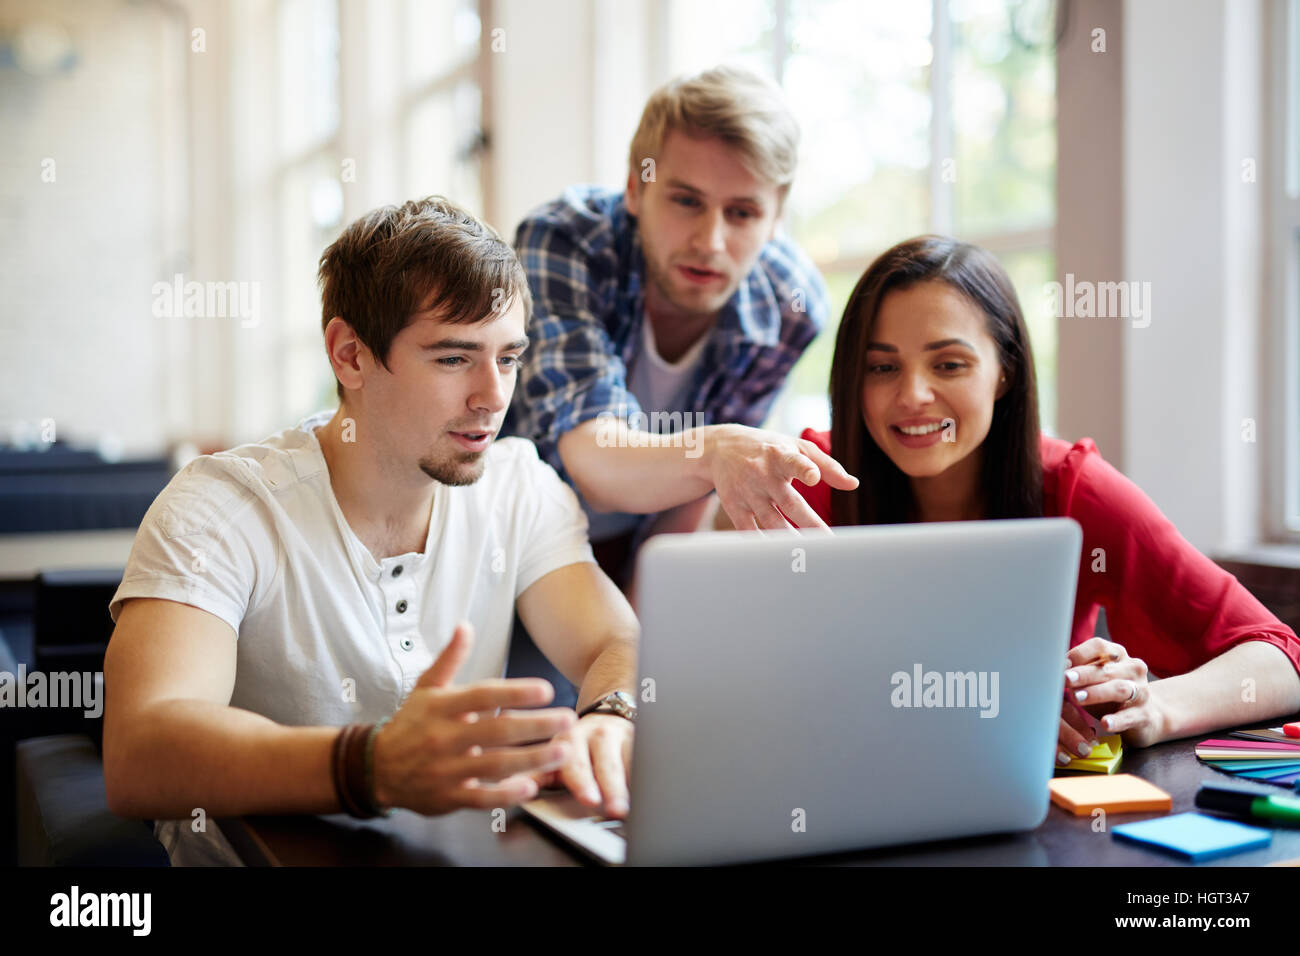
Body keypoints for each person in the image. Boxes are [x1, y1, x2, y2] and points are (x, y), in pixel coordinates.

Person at [102, 197, 640, 866]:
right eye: (453, 359)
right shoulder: (220, 508)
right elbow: (139, 751)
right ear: (350, 355)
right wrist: (371, 766)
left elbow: (612, 641)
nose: (493, 396)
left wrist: (612, 715)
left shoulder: (520, 486)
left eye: (508, 358)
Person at [766, 235, 1300, 759]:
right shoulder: (809, 486)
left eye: (949, 364)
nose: (912, 396)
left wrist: (1151, 706)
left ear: (1006, 371)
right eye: (883, 367)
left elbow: (1281, 659)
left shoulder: (1074, 490)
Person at [503, 65, 857, 589]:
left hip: (635, 542)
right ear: (634, 188)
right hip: (508, 536)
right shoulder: (566, 240)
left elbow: (691, 499)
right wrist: (714, 452)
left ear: (775, 218)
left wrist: (644, 629)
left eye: (741, 213)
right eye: (686, 200)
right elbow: (590, 459)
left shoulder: (790, 306)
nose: (710, 241)